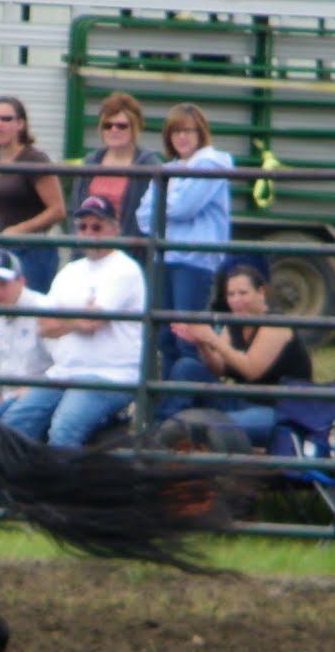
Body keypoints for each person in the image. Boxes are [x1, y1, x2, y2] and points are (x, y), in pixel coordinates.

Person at [0, 196, 146, 447]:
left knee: (63, 429)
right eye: (83, 226)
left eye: (97, 227)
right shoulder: (70, 271)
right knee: (13, 422)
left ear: (115, 228)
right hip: (64, 372)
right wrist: (79, 319)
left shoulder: (125, 269)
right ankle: (2, 488)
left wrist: (70, 320)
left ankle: (58, 487)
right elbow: (45, 326)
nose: (89, 233)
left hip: (112, 376)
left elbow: (92, 321)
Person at [156, 261, 313, 446]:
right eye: (231, 294)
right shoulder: (233, 323)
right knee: (186, 366)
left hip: (276, 411)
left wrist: (212, 339)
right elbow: (218, 369)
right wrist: (202, 344)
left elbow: (251, 369)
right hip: (240, 401)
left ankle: (184, 430)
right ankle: (159, 430)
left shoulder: (275, 324)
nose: (236, 300)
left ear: (261, 292)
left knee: (215, 426)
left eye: (243, 293)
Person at [135, 102, 233, 369]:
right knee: (164, 337)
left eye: (188, 131)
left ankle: (189, 402)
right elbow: (142, 217)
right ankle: (169, 400)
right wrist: (171, 203)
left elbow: (184, 206)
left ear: (201, 132)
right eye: (175, 131)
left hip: (194, 260)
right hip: (164, 258)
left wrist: (163, 203)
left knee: (187, 338)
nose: (182, 137)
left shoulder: (212, 163)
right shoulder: (167, 169)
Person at [0, 95, 66, 293]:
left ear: (20, 124)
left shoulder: (35, 159)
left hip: (33, 249)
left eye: (6, 119)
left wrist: (19, 229)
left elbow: (57, 210)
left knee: (29, 307)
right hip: (2, 248)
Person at [70, 91, 160, 242]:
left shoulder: (150, 166)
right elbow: (74, 209)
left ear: (134, 128)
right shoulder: (90, 162)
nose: (114, 130)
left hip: (130, 251)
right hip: (88, 248)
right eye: (107, 125)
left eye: (121, 126)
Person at [0, 248, 52, 419]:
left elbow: (62, 363)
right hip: (4, 396)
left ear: (21, 281)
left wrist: (34, 388)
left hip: (38, 394)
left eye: (3, 284)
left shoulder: (42, 309)